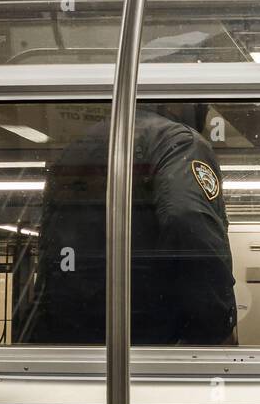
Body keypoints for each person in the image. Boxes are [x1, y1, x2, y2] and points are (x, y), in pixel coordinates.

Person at [25, 107, 237, 346]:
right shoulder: (178, 141)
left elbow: (51, 246)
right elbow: (187, 218)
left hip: (73, 338)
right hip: (151, 338)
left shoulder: (74, 150)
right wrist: (215, 324)